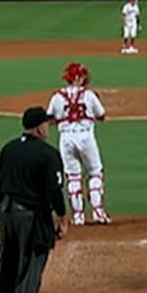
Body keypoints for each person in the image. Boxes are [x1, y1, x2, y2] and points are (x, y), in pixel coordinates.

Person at [0, 106, 68, 293]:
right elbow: (54, 193)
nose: (48, 128)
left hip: (8, 215)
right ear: (39, 127)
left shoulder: (8, 149)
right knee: (31, 268)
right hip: (32, 219)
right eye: (46, 124)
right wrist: (62, 220)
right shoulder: (48, 154)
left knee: (9, 265)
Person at [45, 61, 111, 225]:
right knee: (95, 172)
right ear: (79, 78)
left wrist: (64, 119)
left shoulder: (57, 97)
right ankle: (98, 213)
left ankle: (78, 216)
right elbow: (102, 115)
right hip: (86, 137)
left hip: (66, 138)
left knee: (73, 176)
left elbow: (49, 119)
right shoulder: (89, 95)